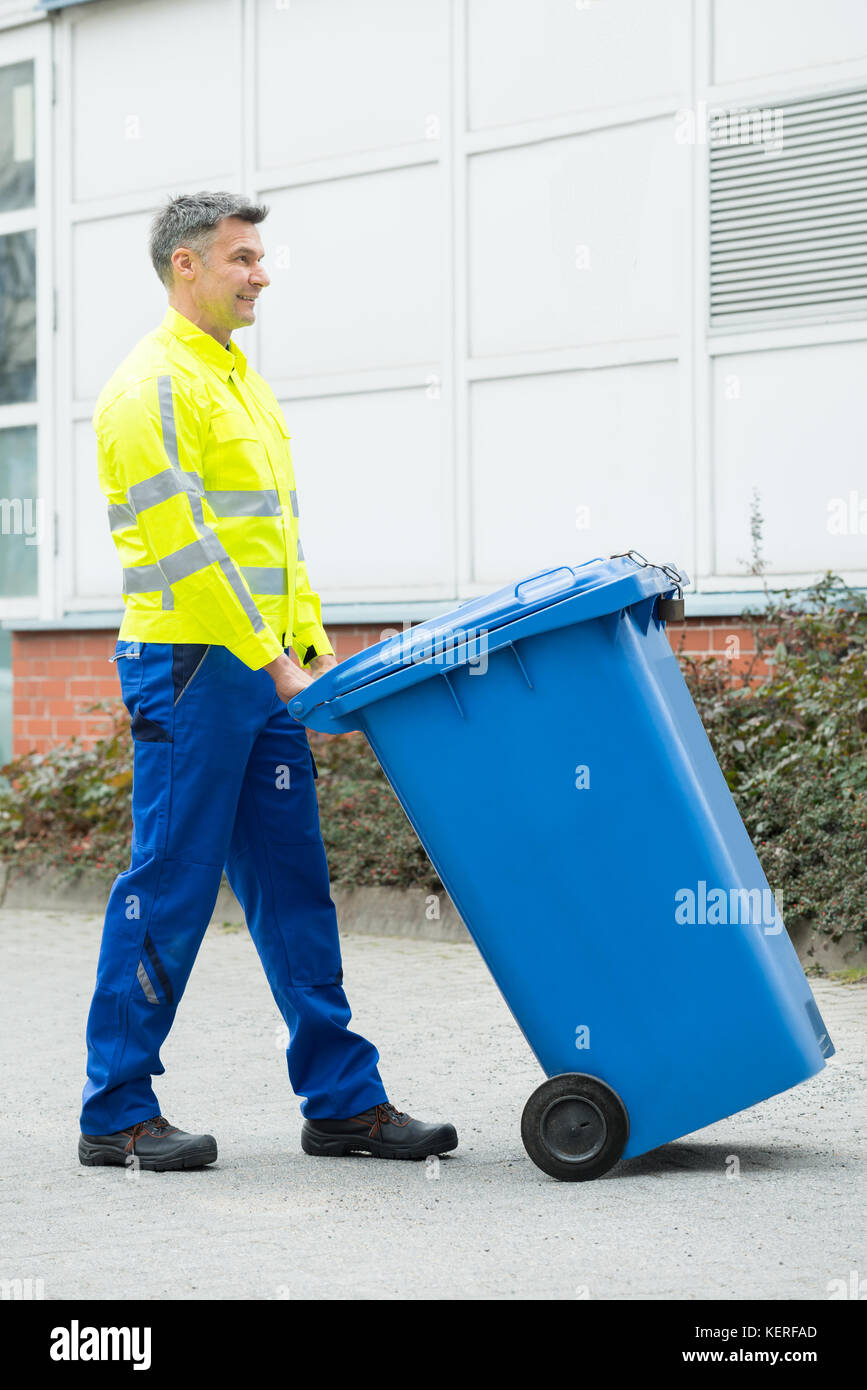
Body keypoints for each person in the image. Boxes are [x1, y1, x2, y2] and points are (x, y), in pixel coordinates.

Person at [78, 191, 457, 1172]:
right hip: (191, 666)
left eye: (261, 256)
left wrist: (310, 644)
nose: (262, 273)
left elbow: (270, 543)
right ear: (186, 267)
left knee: (293, 887)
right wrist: (275, 657)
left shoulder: (239, 380)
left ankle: (342, 1102)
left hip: (258, 667)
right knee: (167, 883)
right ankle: (114, 1108)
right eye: (242, 258)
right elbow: (193, 547)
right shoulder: (148, 389)